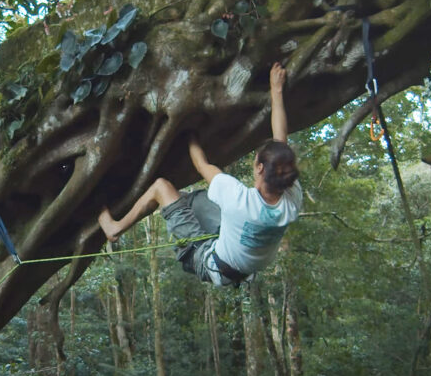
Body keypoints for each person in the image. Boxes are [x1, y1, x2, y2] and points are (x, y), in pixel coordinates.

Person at [98, 63, 301, 286]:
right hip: (240, 257)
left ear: (260, 168)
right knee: (191, 198)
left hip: (210, 260)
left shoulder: (238, 200)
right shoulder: (290, 196)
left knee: (161, 187)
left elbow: (201, 164)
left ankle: (114, 228)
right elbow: (281, 142)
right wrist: (277, 90)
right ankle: (174, 206)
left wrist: (189, 132)